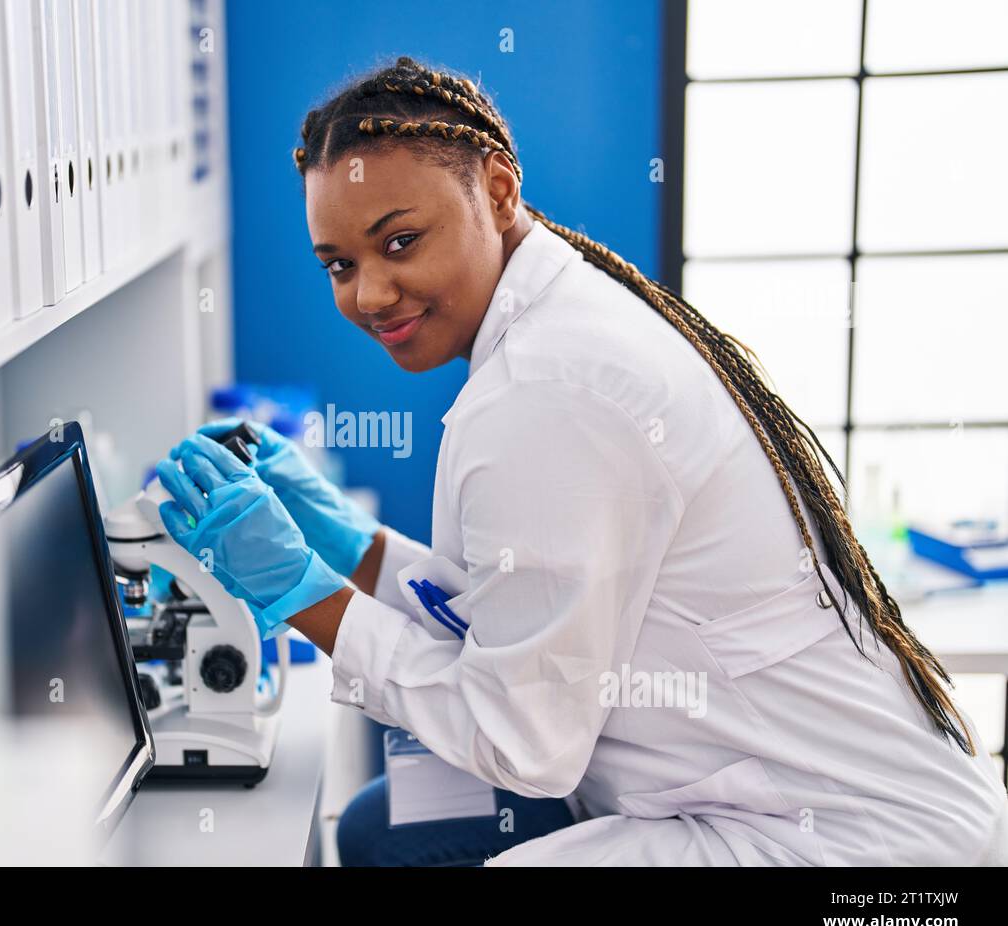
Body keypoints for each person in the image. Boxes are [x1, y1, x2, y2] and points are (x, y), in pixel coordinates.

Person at [155, 56, 1008, 866]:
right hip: (734, 775)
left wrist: (302, 594)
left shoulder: (547, 388)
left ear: (495, 188)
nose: (369, 293)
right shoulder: (553, 325)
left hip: (864, 856)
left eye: (402, 242)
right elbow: (518, 612)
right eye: (340, 265)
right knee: (390, 826)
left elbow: (522, 744)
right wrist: (351, 546)